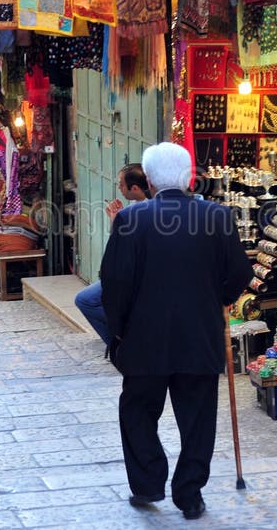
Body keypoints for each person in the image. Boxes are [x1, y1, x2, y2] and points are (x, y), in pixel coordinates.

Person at [99, 142, 253, 521]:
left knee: (138, 411)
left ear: (149, 181)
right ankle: (190, 494)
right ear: (189, 178)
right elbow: (241, 274)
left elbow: (114, 282)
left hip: (143, 337)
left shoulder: (131, 220)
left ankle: (149, 483)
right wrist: (218, 297)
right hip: (199, 334)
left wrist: (116, 333)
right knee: (198, 416)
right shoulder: (217, 216)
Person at [74, 163, 150, 348]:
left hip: (138, 276)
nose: (118, 188)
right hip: (132, 273)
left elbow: (124, 248)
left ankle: (123, 341)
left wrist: (118, 221)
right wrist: (116, 220)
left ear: (135, 188)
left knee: (85, 300)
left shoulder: (143, 211)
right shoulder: (134, 208)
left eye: (121, 185)